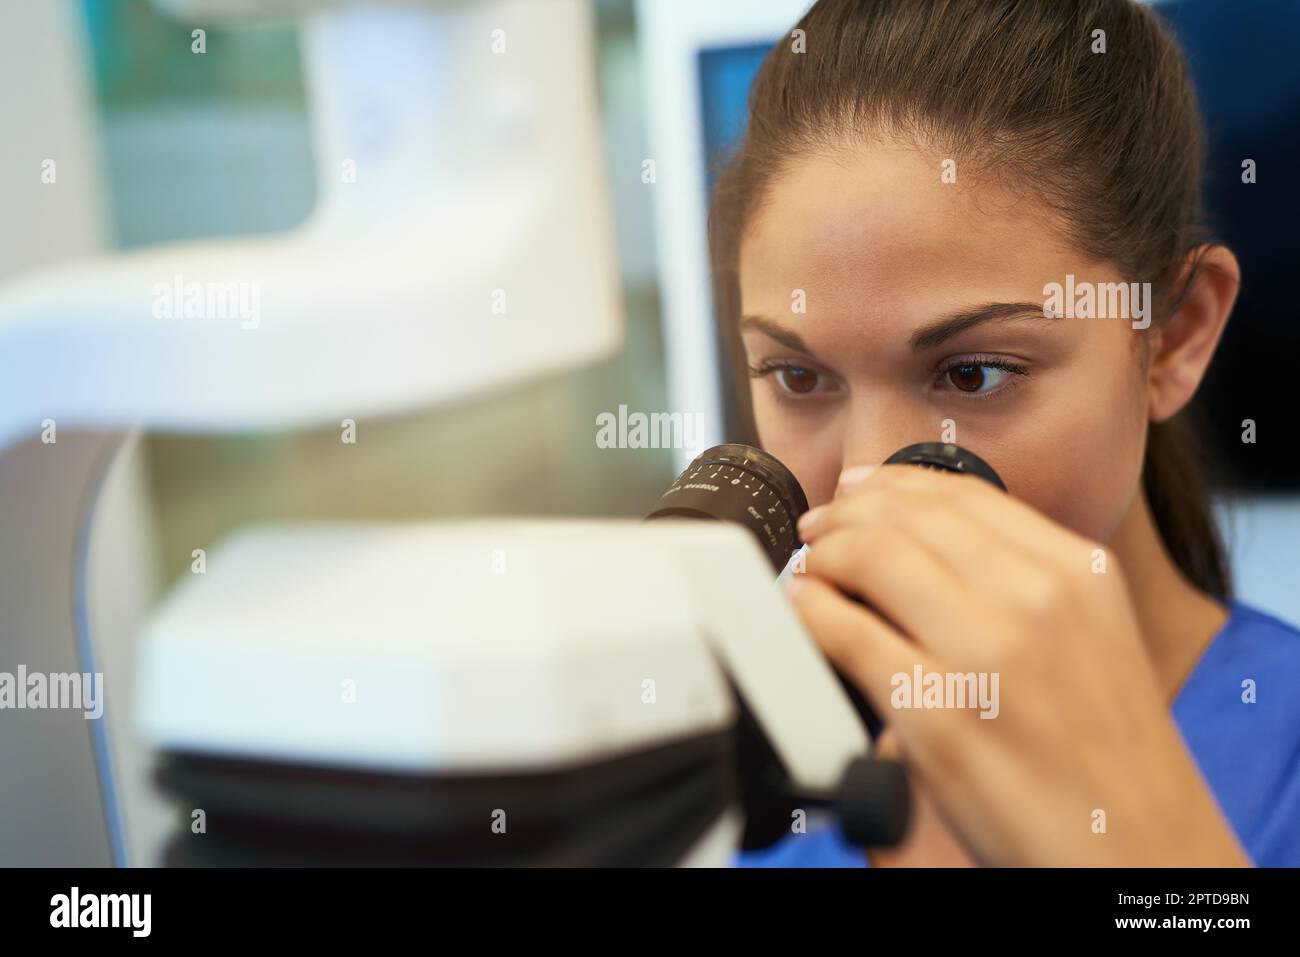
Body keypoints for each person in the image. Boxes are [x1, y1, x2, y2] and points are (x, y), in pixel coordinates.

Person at [711, 0, 1300, 866]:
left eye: (973, 373)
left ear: (1173, 334)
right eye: (799, 377)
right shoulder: (776, 801)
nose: (871, 486)